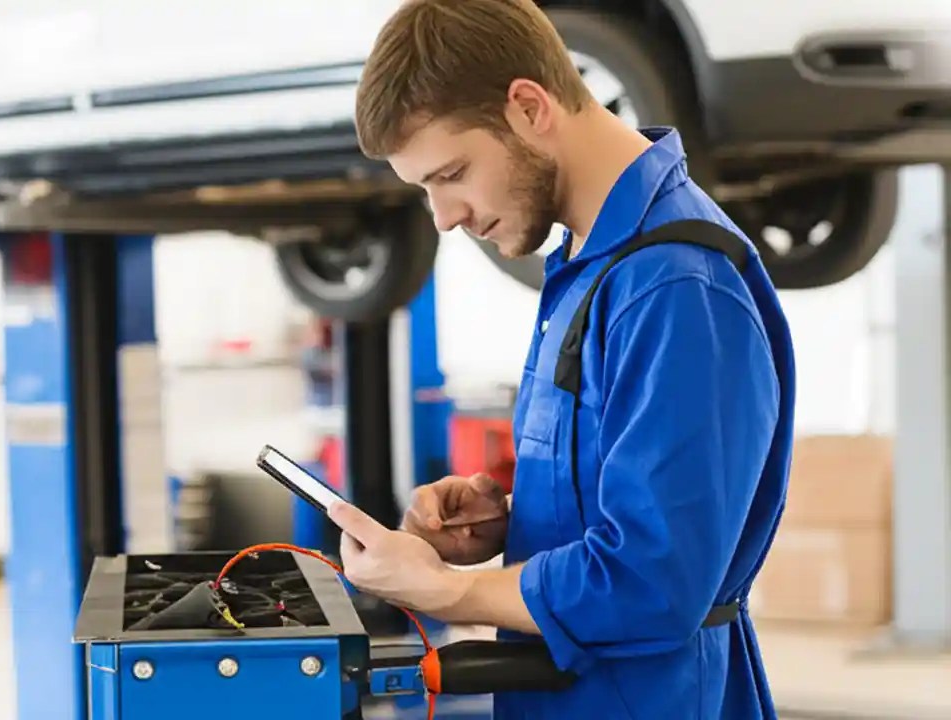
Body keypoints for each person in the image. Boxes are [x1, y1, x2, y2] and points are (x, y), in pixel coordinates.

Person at [324, 0, 798, 717]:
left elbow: (654, 578)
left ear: (528, 107)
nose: (443, 216)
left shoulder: (673, 285)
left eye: (450, 173)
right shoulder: (592, 263)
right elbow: (640, 498)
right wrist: (512, 523)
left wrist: (445, 590)